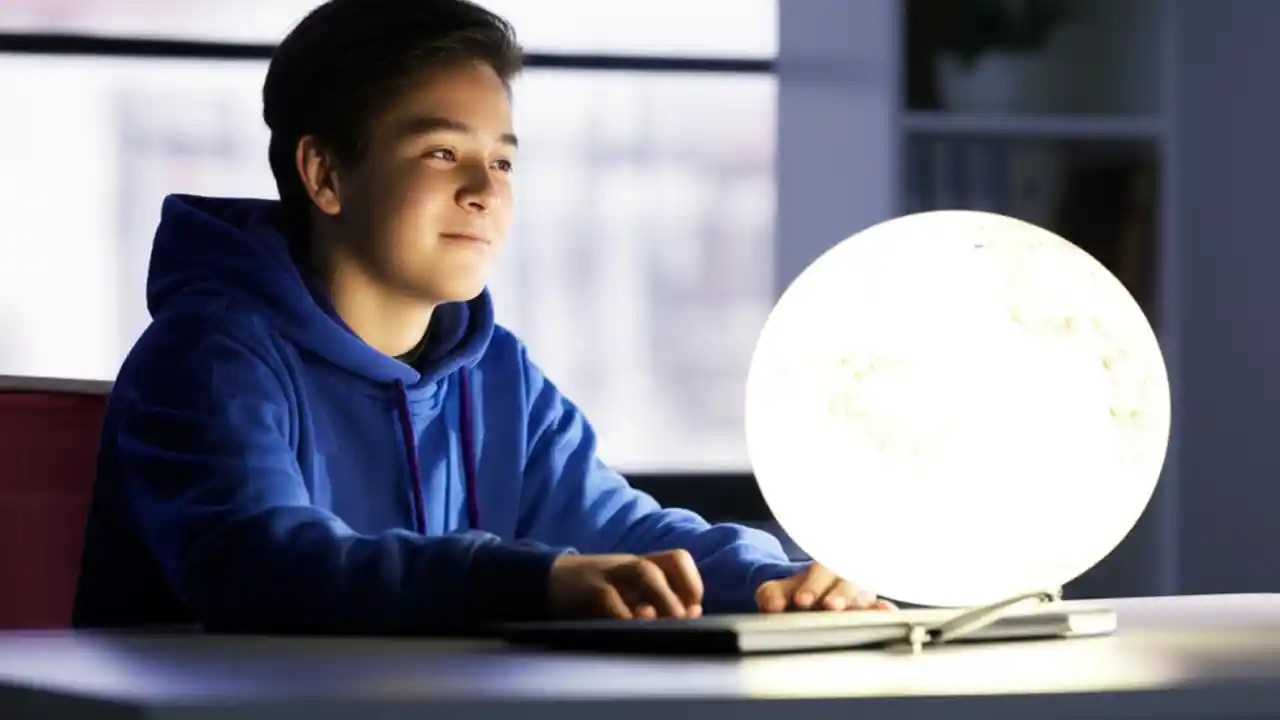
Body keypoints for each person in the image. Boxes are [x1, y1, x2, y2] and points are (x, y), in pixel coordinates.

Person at [72, 0, 891, 634]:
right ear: (324, 174)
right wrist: (533, 581)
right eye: (441, 152)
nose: (486, 189)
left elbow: (622, 530)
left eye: (501, 159)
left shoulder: (495, 371)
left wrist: (772, 578)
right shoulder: (209, 357)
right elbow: (261, 563)